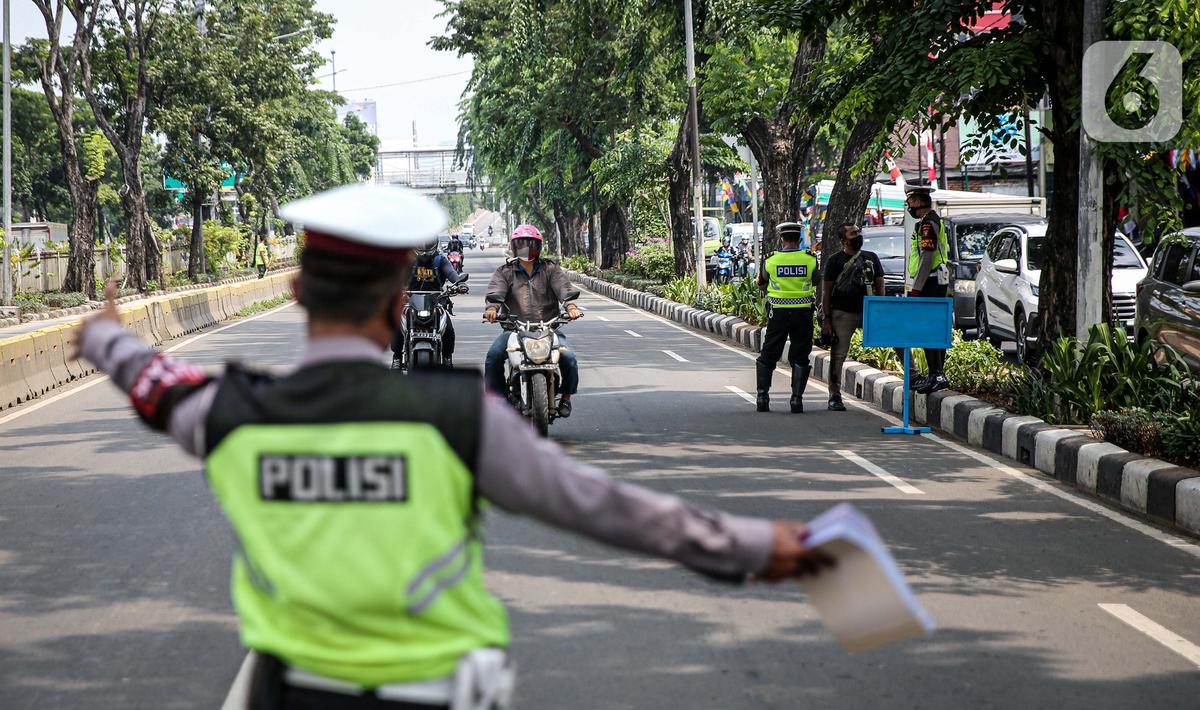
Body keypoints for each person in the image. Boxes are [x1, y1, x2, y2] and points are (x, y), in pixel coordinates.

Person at [73, 184, 825, 710]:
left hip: (293, 693)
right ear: (399, 301)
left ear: (297, 293)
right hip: (440, 691)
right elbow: (607, 508)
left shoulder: (232, 414)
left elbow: (153, 381)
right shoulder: (460, 418)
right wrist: (753, 545)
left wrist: (105, 336)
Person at [483, 224, 582, 418]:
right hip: (515, 329)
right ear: (514, 247)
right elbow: (496, 291)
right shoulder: (505, 271)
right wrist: (492, 309)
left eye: (530, 244)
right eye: (521, 244)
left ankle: (566, 398)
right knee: (493, 358)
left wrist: (571, 307)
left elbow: (564, 288)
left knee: (570, 359)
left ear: (538, 247)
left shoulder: (550, 269)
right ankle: (500, 399)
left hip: (549, 328)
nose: (526, 248)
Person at [755, 222, 822, 413]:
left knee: (769, 353)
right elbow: (816, 280)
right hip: (803, 313)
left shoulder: (771, 260)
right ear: (799, 239)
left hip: (778, 313)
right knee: (800, 355)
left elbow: (761, 282)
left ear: (781, 239)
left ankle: (762, 397)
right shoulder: (810, 259)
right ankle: (796, 400)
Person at [821, 224, 885, 411]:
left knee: (896, 338)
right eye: (853, 233)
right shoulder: (834, 260)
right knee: (838, 355)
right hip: (843, 313)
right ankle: (834, 396)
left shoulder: (871, 257)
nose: (858, 235)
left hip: (869, 312)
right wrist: (827, 319)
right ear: (843, 240)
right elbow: (826, 291)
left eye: (858, 232)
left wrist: (880, 310)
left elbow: (880, 285)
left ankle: (912, 375)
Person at [391, 238, 467, 369]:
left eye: (428, 244)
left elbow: (451, 273)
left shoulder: (440, 260)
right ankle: (397, 357)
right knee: (397, 327)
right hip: (410, 302)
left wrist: (460, 284)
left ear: (435, 243)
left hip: (436, 302)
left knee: (448, 330)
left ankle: (447, 357)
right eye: (421, 244)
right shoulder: (408, 260)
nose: (424, 248)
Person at [903, 185, 950, 394]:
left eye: (911, 201)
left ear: (920, 202)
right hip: (932, 281)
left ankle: (936, 374)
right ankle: (935, 373)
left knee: (928, 329)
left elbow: (927, 258)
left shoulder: (928, 224)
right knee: (933, 328)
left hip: (930, 282)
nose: (909, 206)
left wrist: (916, 288)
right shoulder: (928, 221)